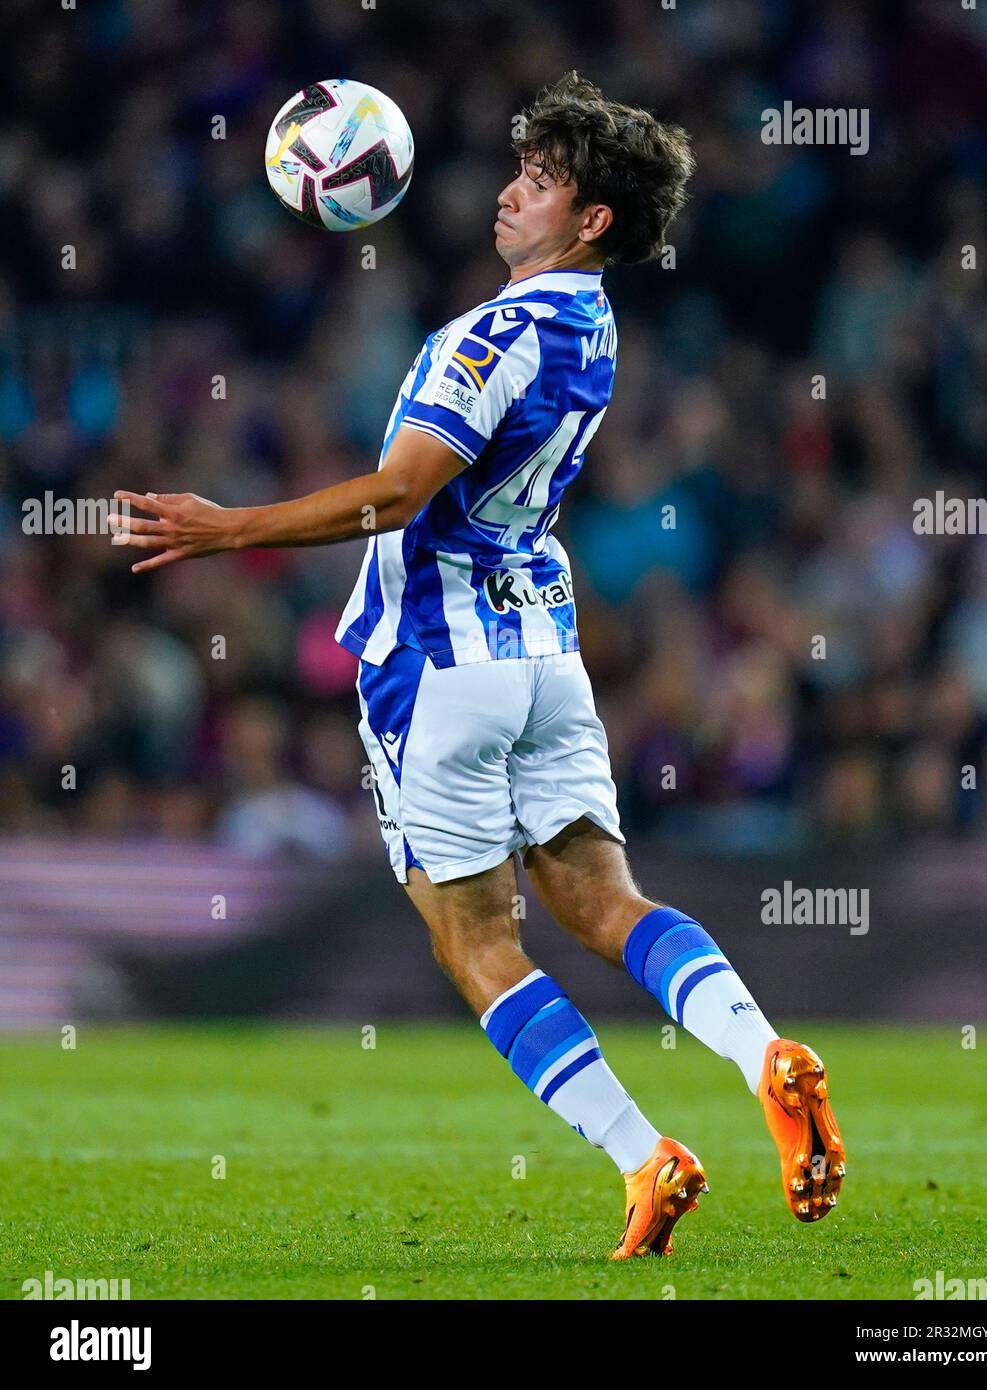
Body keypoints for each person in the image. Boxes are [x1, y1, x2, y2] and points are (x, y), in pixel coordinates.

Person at [111, 71, 845, 1260]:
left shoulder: (486, 334)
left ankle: (642, 1156)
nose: (507, 194)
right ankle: (763, 1050)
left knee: (473, 938)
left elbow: (399, 492)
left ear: (591, 220)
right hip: (542, 646)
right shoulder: (594, 325)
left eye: (539, 182)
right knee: (606, 902)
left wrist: (226, 526)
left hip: (438, 662)